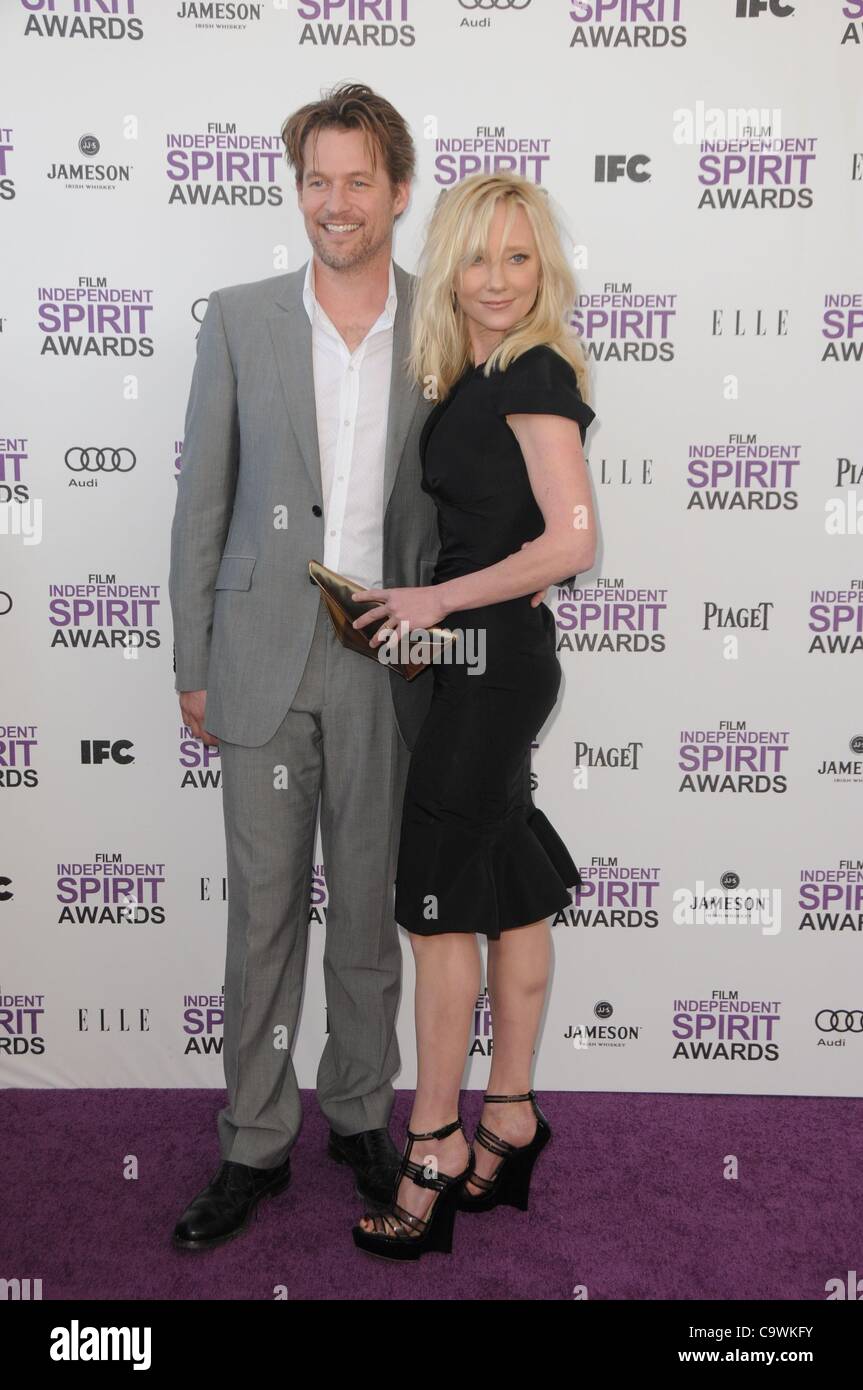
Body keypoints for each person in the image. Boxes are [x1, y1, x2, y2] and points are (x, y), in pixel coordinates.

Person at [166, 84, 526, 1250]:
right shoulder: (238, 317)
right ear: (300, 189)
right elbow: (199, 504)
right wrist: (192, 661)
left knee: (372, 916)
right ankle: (252, 1140)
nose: (335, 202)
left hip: (392, 668)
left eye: (357, 181)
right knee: (262, 918)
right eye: (316, 179)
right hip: (262, 659)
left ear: (398, 191)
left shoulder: (446, 322)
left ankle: (364, 1116)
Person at [350, 172, 597, 1260]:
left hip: (492, 662)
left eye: (519, 258)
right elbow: (503, 544)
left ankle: (434, 1139)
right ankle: (510, 1112)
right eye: (478, 257)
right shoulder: (472, 373)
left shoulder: (534, 369)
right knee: (498, 880)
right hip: (477, 655)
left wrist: (440, 600)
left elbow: (572, 541)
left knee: (440, 905)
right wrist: (425, 617)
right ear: (447, 264)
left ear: (543, 271)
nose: (496, 280)